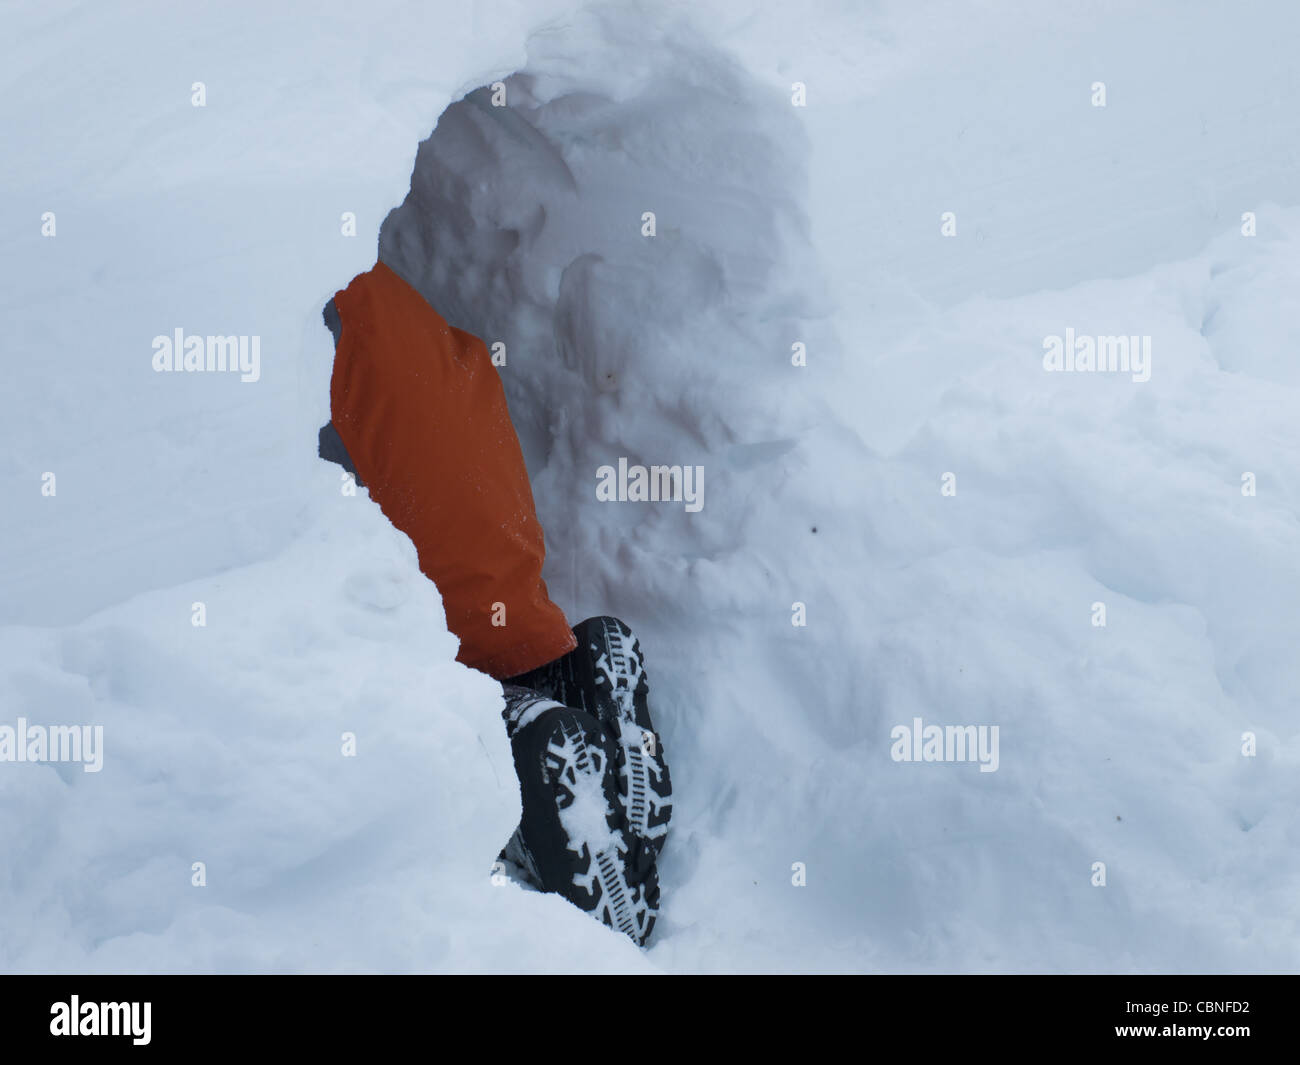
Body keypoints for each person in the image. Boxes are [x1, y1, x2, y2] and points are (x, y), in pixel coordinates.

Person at [318, 261, 671, 945]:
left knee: (300, 492)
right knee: (392, 354)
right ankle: (542, 676)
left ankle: (498, 731)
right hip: (371, 316)